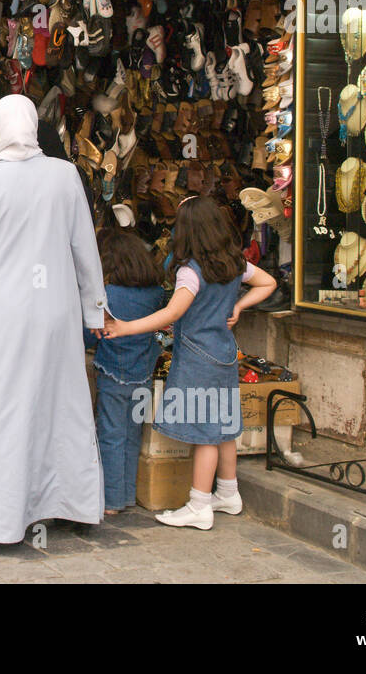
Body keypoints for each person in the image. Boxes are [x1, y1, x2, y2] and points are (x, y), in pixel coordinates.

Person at [0, 94, 109, 544]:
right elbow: (84, 245)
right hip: (56, 310)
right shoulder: (65, 175)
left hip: (2, 314)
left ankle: (4, 521)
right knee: (63, 405)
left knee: (5, 410)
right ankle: (70, 504)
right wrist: (94, 306)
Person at [103, 195, 276, 530]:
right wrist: (239, 306)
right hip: (225, 352)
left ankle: (199, 504)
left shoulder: (190, 272)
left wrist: (125, 326)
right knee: (224, 426)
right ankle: (228, 492)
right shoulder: (233, 263)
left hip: (198, 356)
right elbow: (267, 283)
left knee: (206, 434)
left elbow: (172, 312)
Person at [85, 227, 165, 515]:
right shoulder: (156, 294)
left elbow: (91, 336)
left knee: (111, 435)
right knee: (132, 436)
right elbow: (164, 333)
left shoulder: (107, 295)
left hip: (112, 374)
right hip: (143, 375)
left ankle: (112, 501)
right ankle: (128, 495)